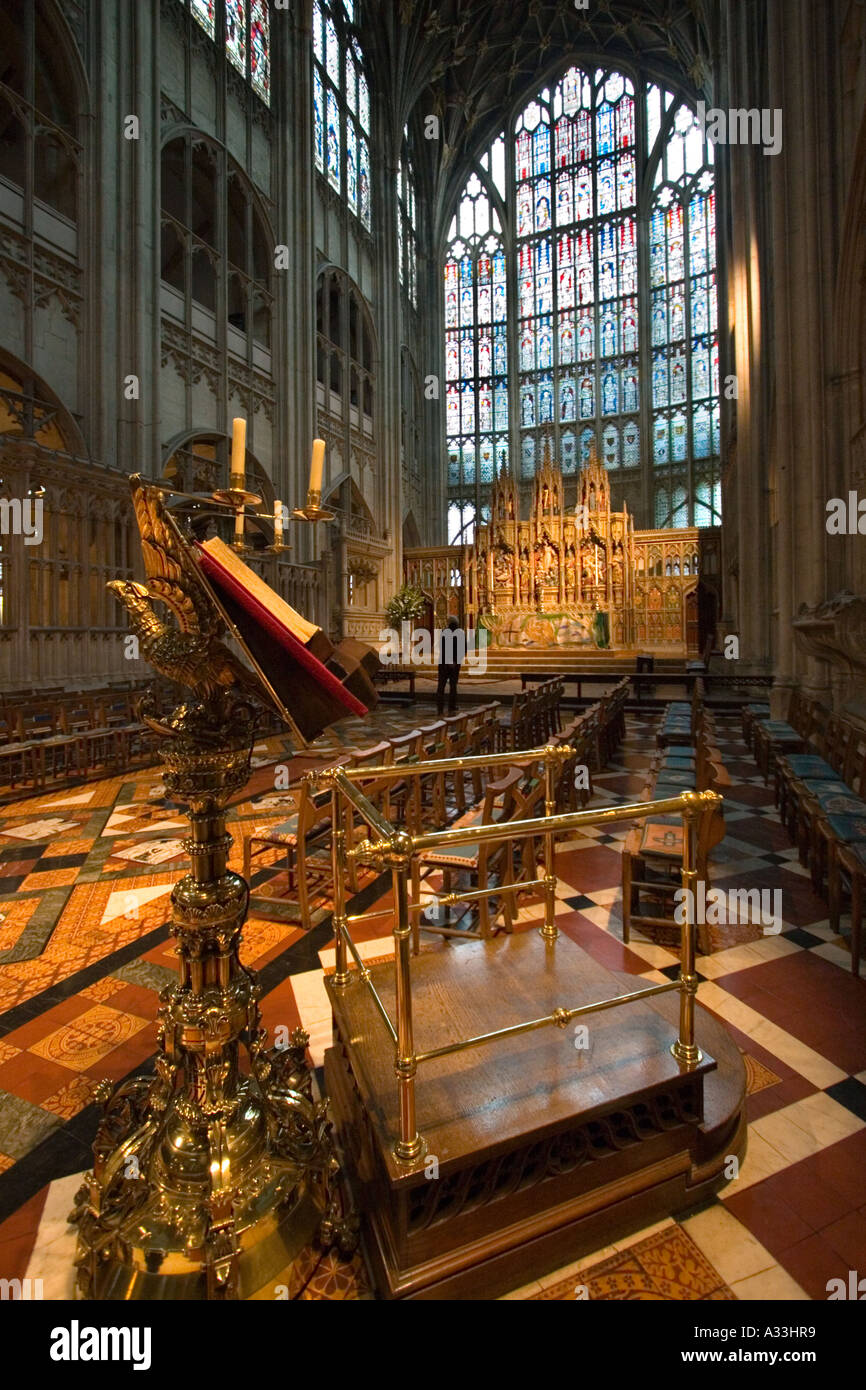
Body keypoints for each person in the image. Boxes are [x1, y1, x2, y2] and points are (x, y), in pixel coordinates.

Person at [436, 616, 464, 714]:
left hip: (443, 663)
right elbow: (462, 649)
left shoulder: (444, 632)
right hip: (454, 665)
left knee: (441, 685)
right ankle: (451, 706)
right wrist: (455, 661)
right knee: (453, 686)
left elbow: (442, 647)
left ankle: (440, 707)